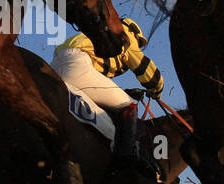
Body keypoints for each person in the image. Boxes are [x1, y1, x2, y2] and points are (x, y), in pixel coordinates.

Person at [52, 17, 163, 167]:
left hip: (56, 66)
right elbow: (143, 66)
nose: (138, 45)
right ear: (134, 33)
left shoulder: (99, 34)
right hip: (77, 65)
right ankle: (126, 157)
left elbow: (96, 83)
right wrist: (157, 89)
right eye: (139, 42)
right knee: (129, 104)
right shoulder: (124, 34)